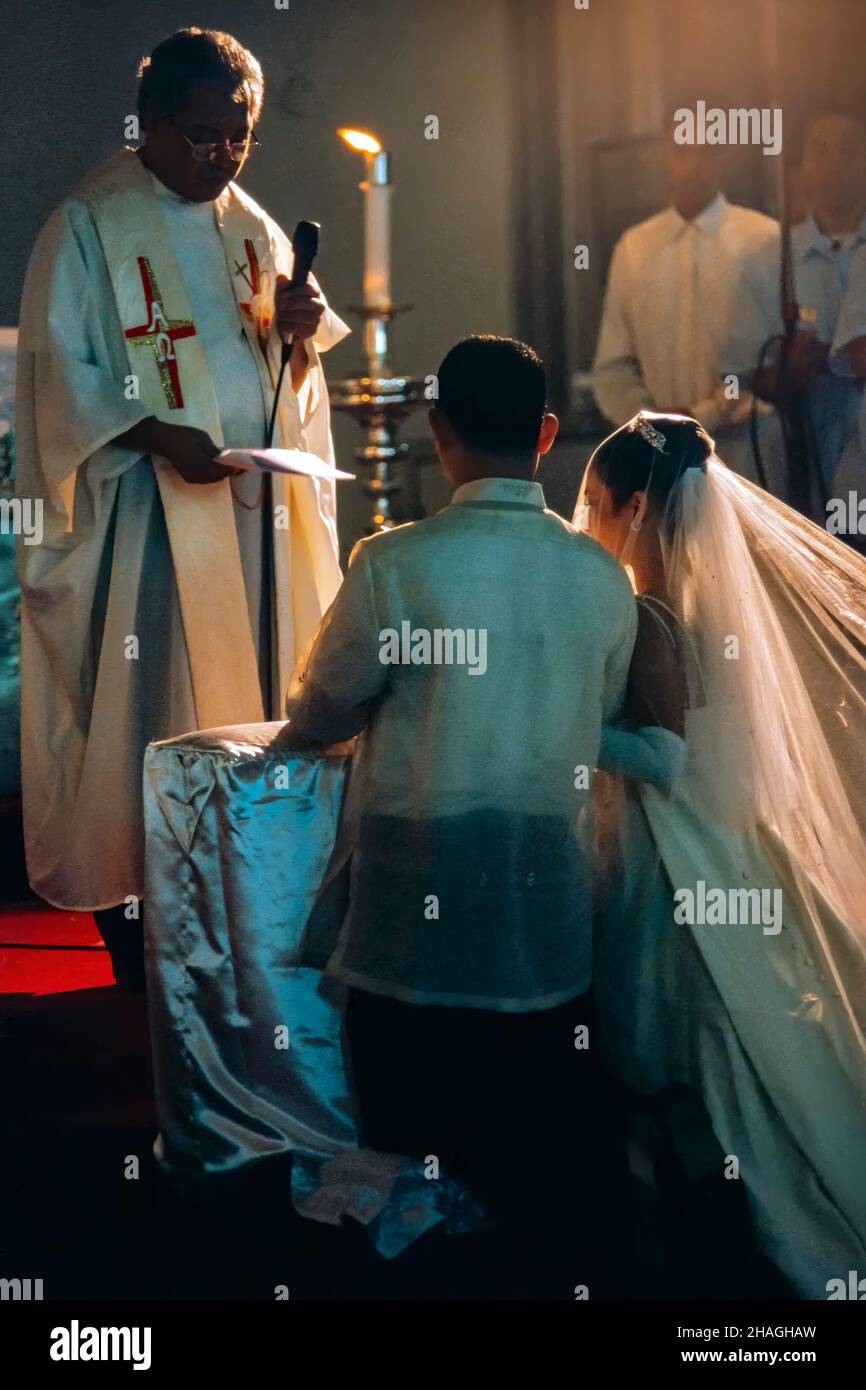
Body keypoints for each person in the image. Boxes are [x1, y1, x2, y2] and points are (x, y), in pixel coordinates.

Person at [15, 28, 349, 986]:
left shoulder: (253, 226)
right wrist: (156, 434)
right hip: (146, 540)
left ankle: (254, 933)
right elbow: (58, 380)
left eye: (238, 138)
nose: (221, 157)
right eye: (202, 137)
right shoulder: (89, 223)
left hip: (251, 537)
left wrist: (299, 333)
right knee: (153, 720)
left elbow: (292, 369)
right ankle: (148, 943)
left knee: (251, 717)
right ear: (150, 125)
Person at [286, 335, 637, 1236]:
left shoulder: (396, 563)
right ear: (550, 433)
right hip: (544, 901)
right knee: (530, 1160)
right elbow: (596, 721)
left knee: (412, 1157)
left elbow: (325, 708)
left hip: (417, 894)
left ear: (436, 431)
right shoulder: (603, 575)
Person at [576, 410, 866, 1296]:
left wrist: (572, 728)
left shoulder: (653, 617)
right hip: (733, 847)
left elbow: (662, 758)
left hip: (680, 861)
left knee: (704, 1042)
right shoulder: (709, 610)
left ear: (635, 506)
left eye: (594, 503)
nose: (584, 519)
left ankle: (692, 1233)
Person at [592, 125, 779, 484]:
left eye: (707, 152)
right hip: (662, 456)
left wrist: (702, 413)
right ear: (664, 155)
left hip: (748, 451)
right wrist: (651, 422)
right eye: (682, 152)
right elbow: (612, 366)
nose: (694, 166)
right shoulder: (635, 247)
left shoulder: (764, 239)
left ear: (727, 157)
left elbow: (773, 363)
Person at [726, 111, 866, 507]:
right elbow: (743, 375)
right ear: (803, 166)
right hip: (801, 460)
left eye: (850, 150)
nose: (835, 163)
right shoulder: (769, 260)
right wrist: (788, 371)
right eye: (821, 150)